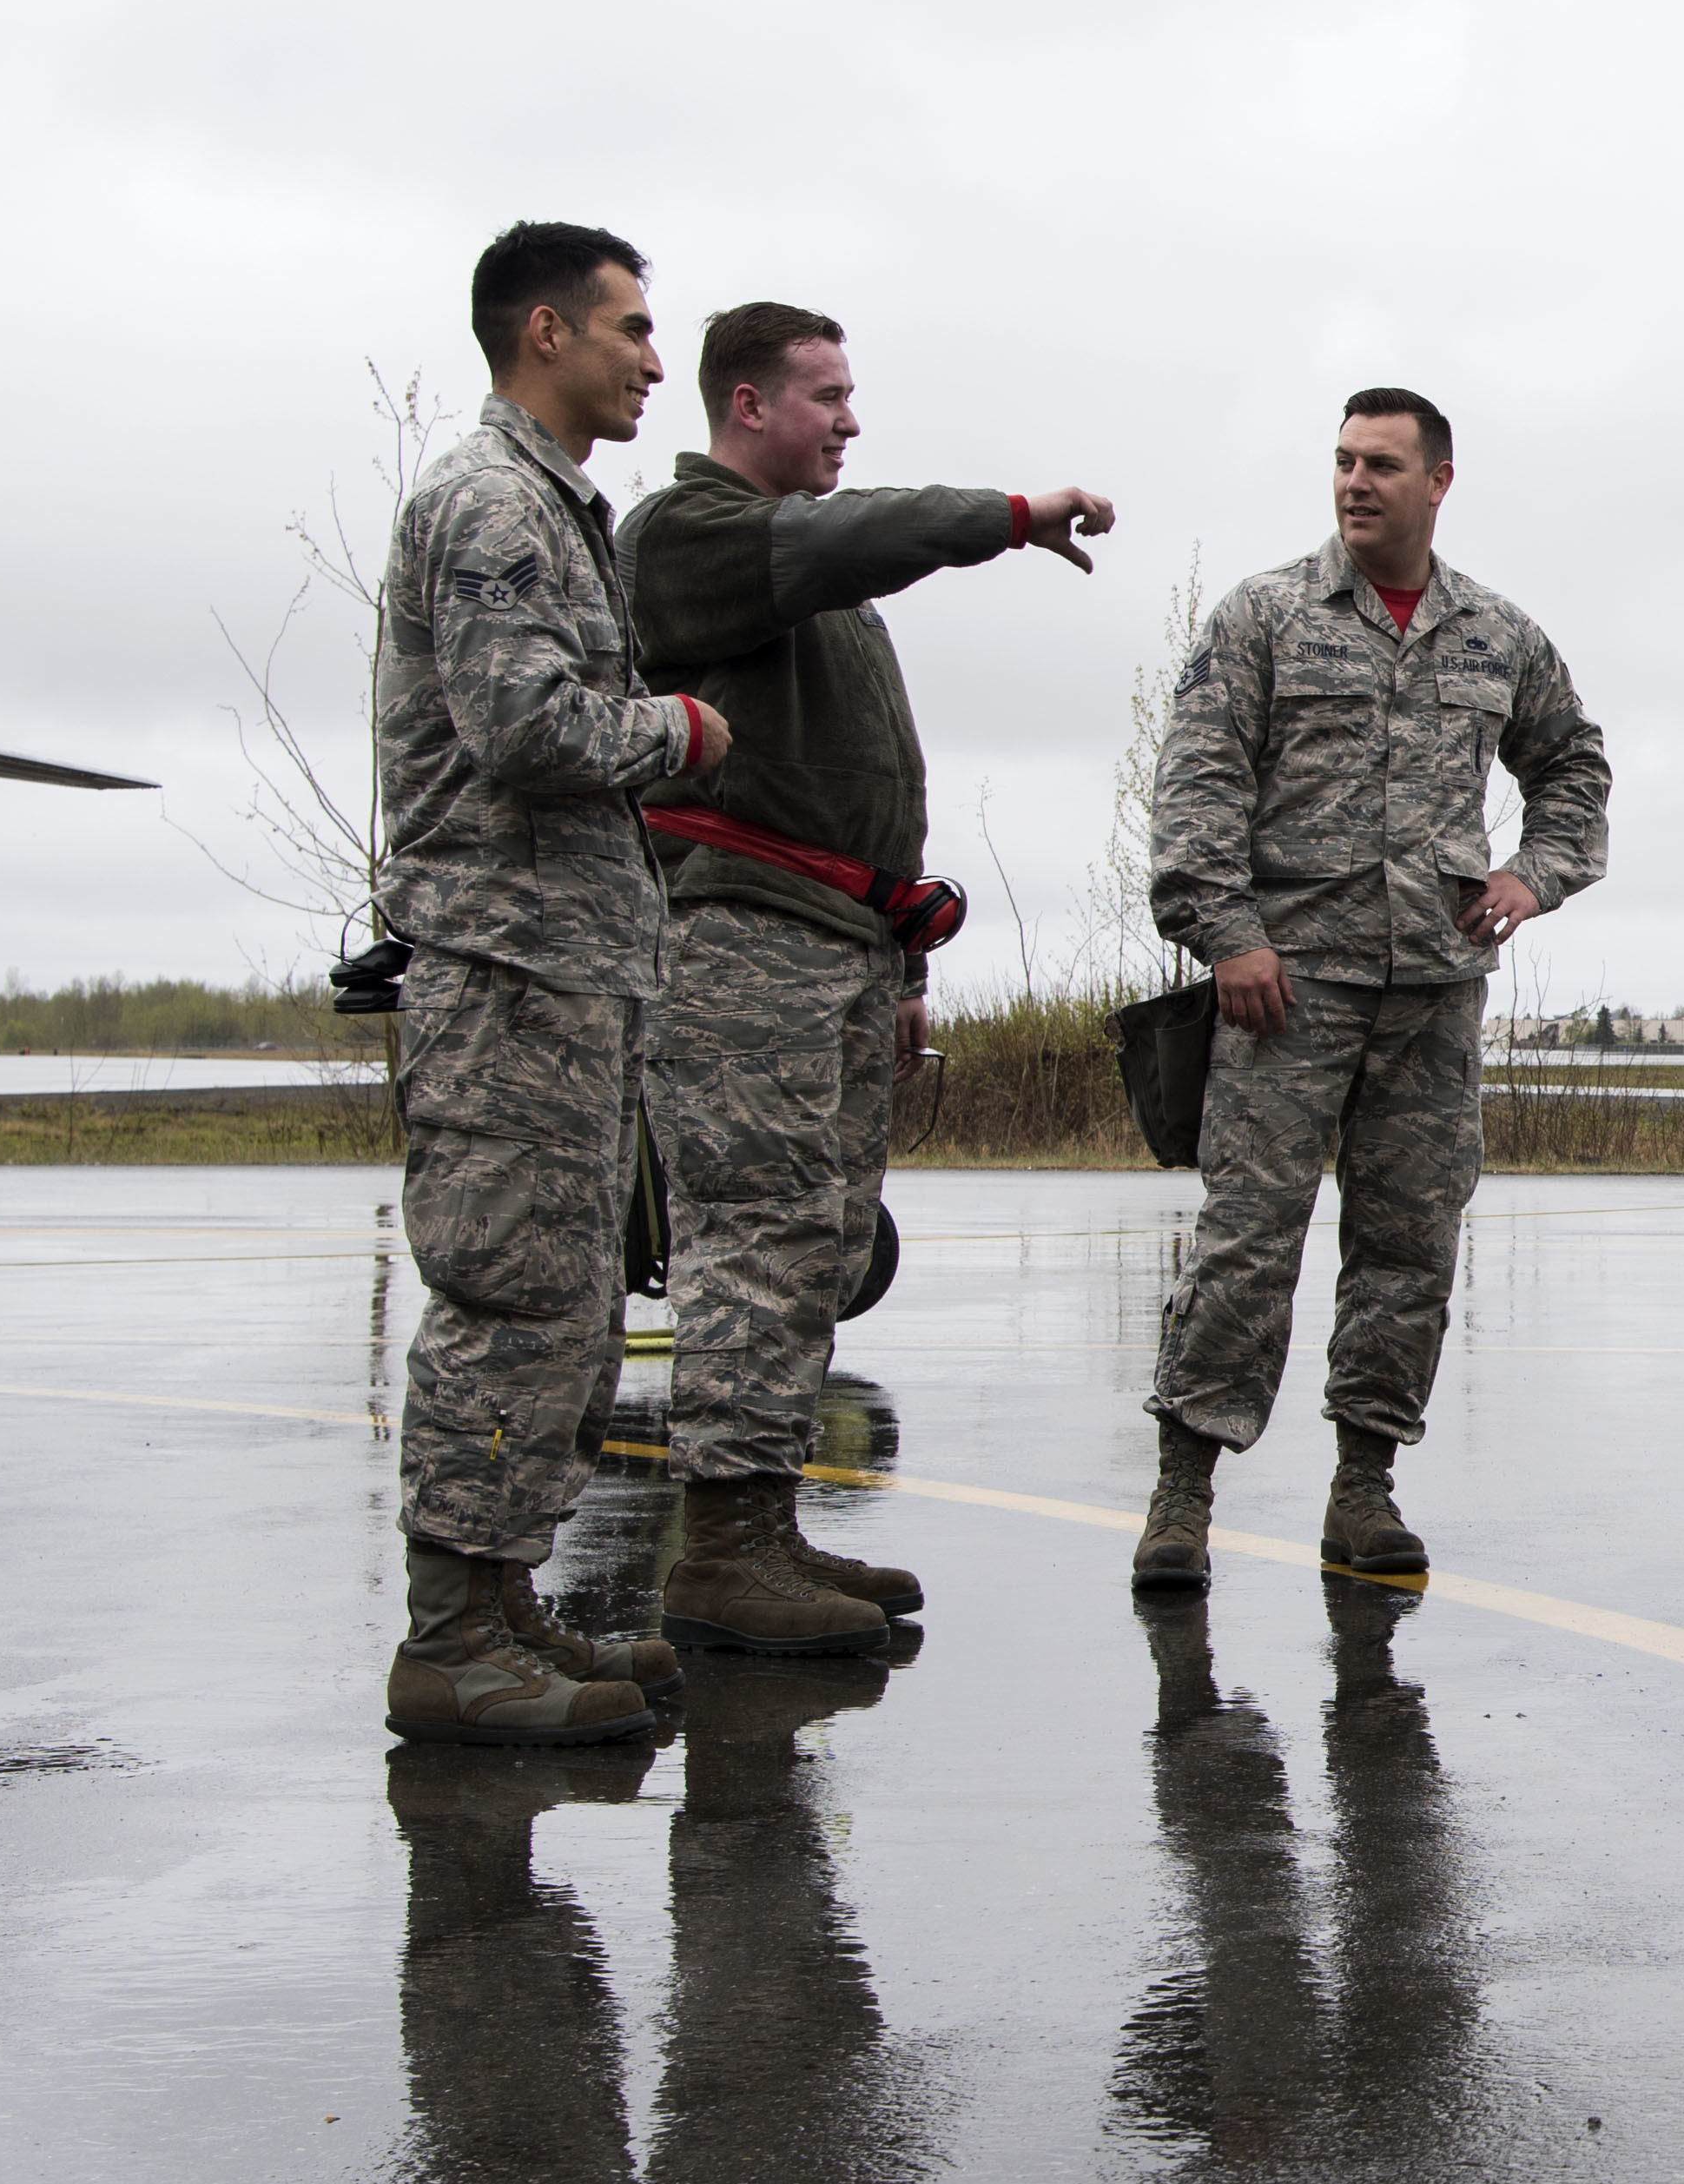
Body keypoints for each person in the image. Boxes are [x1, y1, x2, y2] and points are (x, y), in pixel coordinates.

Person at [624, 304, 1115, 1651]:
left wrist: (899, 962)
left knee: (823, 1243)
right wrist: (1006, 515)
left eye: (852, 398)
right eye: (826, 397)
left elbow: (857, 788)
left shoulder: (813, 592)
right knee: (754, 1239)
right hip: (741, 943)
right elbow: (853, 540)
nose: (848, 421)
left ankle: (765, 1525)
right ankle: (722, 1547)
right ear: (744, 406)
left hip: (837, 944)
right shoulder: (698, 541)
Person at [1136, 390, 1613, 1587]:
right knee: (1247, 1245)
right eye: (1343, 461)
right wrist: (1226, 933)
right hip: (1284, 988)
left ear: (1438, 481)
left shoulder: (1496, 634)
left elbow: (1573, 764)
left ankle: (1363, 1490)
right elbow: (1196, 783)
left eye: (1383, 466)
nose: (1356, 483)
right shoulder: (1266, 615)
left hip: (1433, 993)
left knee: (1408, 1249)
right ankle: (1182, 1499)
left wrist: (1532, 876)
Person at [374, 222, 733, 1746]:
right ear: (543, 332)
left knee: (571, 1304)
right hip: (507, 972)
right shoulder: (490, 508)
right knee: (507, 1298)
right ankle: (452, 1635)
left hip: (569, 970)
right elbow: (529, 729)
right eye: (632, 329)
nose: (654, 359)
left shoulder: (551, 509)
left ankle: (503, 1598)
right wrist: (681, 735)